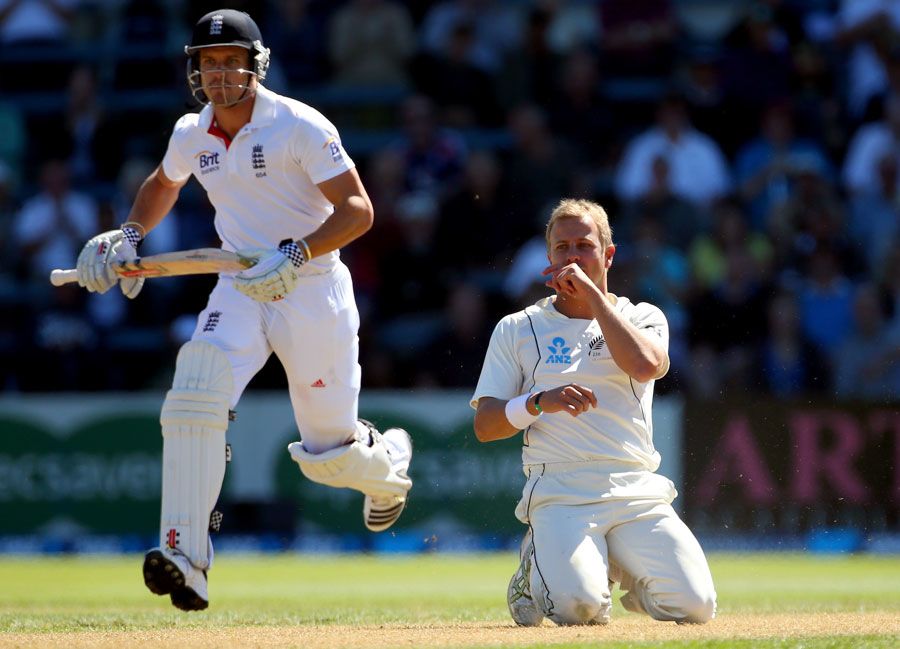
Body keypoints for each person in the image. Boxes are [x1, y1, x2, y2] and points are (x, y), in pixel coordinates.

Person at [72, 9, 413, 612]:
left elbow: (359, 210)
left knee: (326, 456)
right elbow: (162, 183)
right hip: (237, 283)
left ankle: (386, 464)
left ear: (257, 65)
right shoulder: (190, 132)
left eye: (232, 61)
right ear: (194, 70)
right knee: (194, 389)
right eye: (209, 62)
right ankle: (185, 558)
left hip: (311, 287)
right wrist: (127, 234)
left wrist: (298, 251)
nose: (220, 74)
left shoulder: (299, 125)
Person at [470, 199, 716, 626]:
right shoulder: (517, 327)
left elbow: (645, 365)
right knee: (578, 609)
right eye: (562, 247)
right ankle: (534, 570)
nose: (572, 257)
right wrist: (536, 402)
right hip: (560, 490)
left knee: (697, 606)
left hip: (636, 488)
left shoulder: (642, 315)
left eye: (584, 245)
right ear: (548, 258)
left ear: (608, 254)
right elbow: (486, 425)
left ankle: (622, 571)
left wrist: (594, 299)